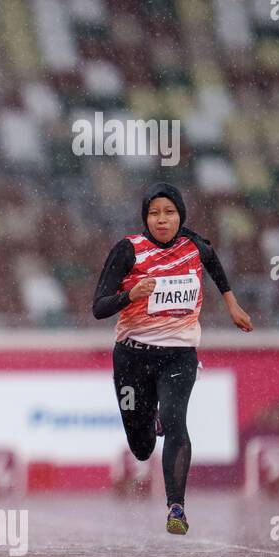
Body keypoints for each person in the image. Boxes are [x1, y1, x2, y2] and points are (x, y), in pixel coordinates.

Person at [92, 182, 252, 535]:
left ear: (181, 216)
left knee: (177, 421)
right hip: (132, 357)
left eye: (169, 213)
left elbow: (213, 264)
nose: (162, 220)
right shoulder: (128, 251)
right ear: (144, 217)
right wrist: (130, 294)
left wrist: (231, 303)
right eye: (154, 213)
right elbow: (98, 308)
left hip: (179, 355)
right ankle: (152, 422)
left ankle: (175, 508)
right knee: (141, 447)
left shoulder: (194, 245)